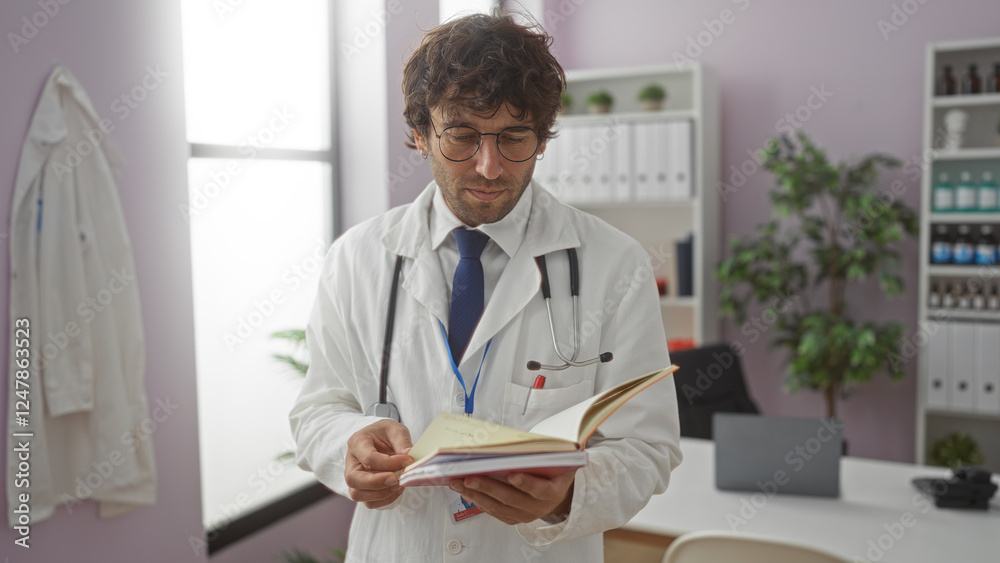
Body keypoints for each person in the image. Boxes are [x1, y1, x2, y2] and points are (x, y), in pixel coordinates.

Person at [290, 10, 681, 562]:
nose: (490, 166)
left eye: (514, 137)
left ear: (543, 140)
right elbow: (319, 409)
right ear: (421, 134)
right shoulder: (358, 258)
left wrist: (567, 494)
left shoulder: (614, 264)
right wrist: (348, 447)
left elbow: (649, 447)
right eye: (462, 136)